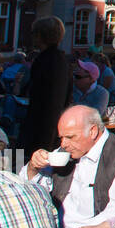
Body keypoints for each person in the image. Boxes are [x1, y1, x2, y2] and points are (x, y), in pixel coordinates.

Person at [23, 105, 115, 228]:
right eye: (61, 137)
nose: (64, 144)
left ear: (92, 131)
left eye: (70, 137)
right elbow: (28, 187)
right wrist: (33, 166)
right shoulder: (67, 151)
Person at [23, 16, 73, 155]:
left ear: (40, 35)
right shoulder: (62, 59)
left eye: (34, 33)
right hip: (53, 126)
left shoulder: (45, 61)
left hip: (43, 126)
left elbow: (45, 100)